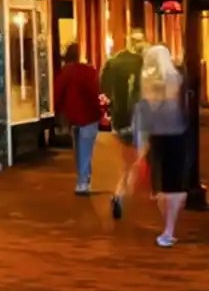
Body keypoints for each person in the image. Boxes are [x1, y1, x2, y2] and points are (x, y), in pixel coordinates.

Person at [134, 45, 189, 248]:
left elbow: (144, 112)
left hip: (156, 135)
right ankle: (169, 229)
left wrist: (142, 142)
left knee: (159, 184)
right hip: (176, 135)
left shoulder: (147, 82)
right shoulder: (177, 79)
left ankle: (167, 227)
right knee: (173, 184)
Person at [101, 30, 146, 220]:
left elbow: (103, 90)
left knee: (126, 159)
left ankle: (120, 192)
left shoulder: (112, 63)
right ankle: (121, 192)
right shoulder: (142, 63)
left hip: (119, 119)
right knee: (135, 160)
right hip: (139, 117)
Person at [55, 43, 102, 194]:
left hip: (72, 116)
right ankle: (83, 181)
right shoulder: (89, 72)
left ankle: (83, 178)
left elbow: (58, 92)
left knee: (79, 149)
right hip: (88, 115)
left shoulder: (66, 72)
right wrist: (99, 111)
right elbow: (93, 94)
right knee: (86, 148)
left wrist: (59, 112)